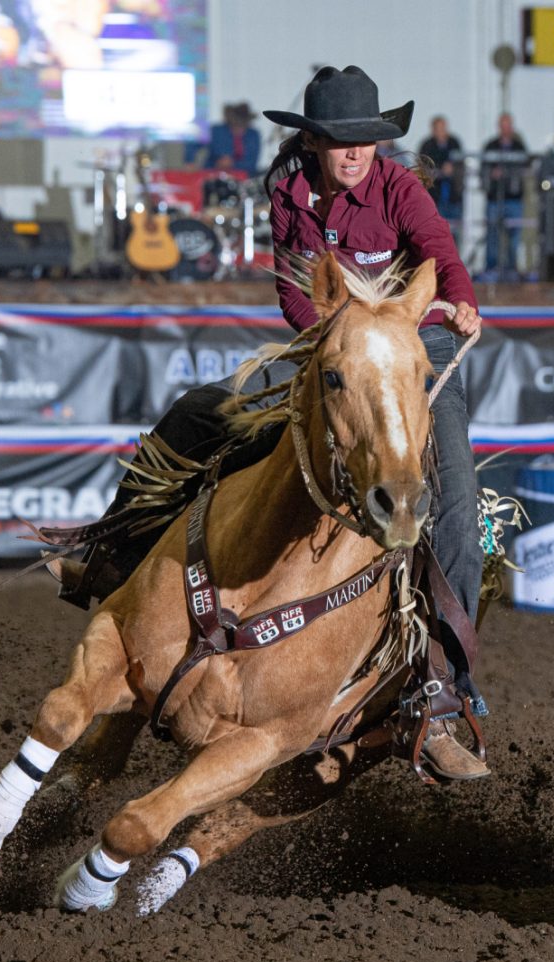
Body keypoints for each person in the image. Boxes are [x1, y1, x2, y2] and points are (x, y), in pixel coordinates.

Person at [61, 65, 489, 780]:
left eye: (366, 142)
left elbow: (441, 257)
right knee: (200, 413)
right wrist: (333, 335)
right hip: (326, 351)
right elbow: (295, 295)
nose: (355, 154)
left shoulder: (398, 189)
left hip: (416, 349)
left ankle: (442, 695)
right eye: (340, 142)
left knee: (458, 509)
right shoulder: (289, 195)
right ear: (313, 142)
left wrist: (462, 300)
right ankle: (115, 553)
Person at [481, 112, 529, 278]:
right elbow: (483, 170)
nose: (505, 128)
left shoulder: (519, 146)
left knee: (514, 237)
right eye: (503, 125)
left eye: (508, 125)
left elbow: (525, 168)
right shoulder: (490, 145)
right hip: (494, 199)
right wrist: (491, 175)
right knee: (492, 235)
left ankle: (512, 269)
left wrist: (507, 172)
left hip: (514, 199)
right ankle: (491, 268)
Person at [418, 115, 465, 240]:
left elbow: (461, 166)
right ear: (433, 130)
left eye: (443, 128)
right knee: (436, 235)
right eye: (437, 128)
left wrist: (453, 170)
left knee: (455, 236)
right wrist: (441, 171)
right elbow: (423, 169)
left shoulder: (455, 143)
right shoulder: (427, 146)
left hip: (454, 199)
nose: (440, 131)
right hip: (435, 199)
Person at [198, 102, 261, 177]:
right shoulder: (216, 131)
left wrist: (232, 163)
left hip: (242, 177)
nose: (238, 129)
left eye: (242, 125)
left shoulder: (253, 135)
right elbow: (194, 143)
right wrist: (189, 161)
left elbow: (251, 163)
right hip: (213, 174)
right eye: (235, 125)